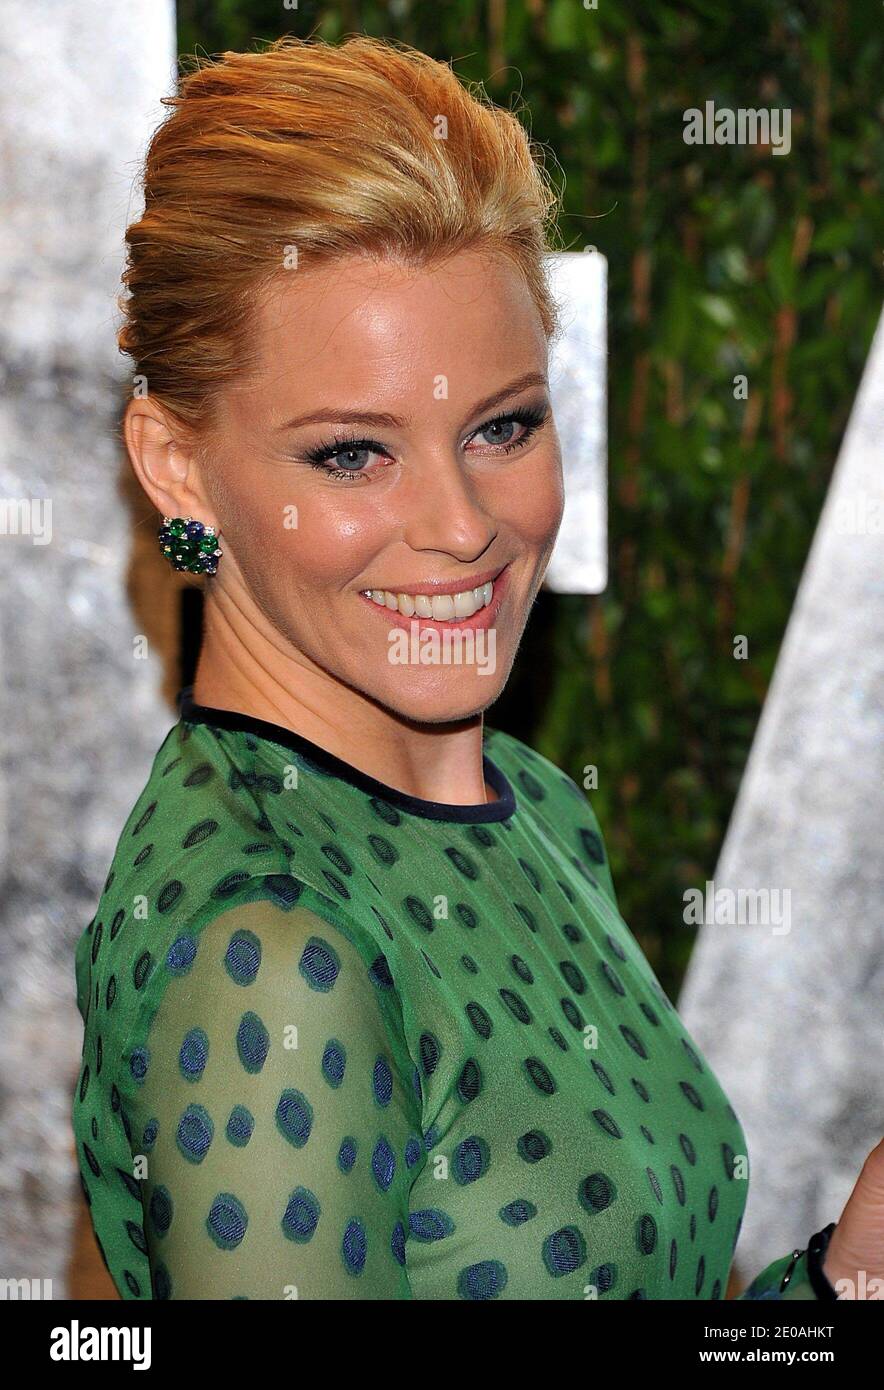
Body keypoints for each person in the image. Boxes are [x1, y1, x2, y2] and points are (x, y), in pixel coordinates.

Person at [71, 33, 881, 1301]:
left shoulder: (533, 805)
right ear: (178, 468)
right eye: (351, 453)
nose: (461, 526)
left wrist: (841, 1284)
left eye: (502, 426)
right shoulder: (272, 955)